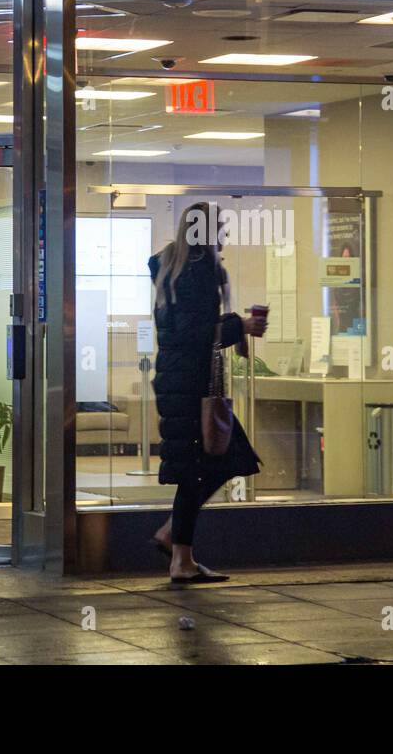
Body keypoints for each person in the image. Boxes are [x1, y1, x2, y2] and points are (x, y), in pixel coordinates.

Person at [147, 202, 266, 583]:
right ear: (206, 231)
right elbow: (196, 332)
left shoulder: (170, 266)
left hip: (177, 381)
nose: (225, 236)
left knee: (208, 465)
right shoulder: (197, 271)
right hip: (193, 385)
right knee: (209, 465)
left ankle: (177, 547)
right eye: (221, 228)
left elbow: (191, 327)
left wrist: (235, 328)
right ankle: (178, 555)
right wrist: (241, 325)